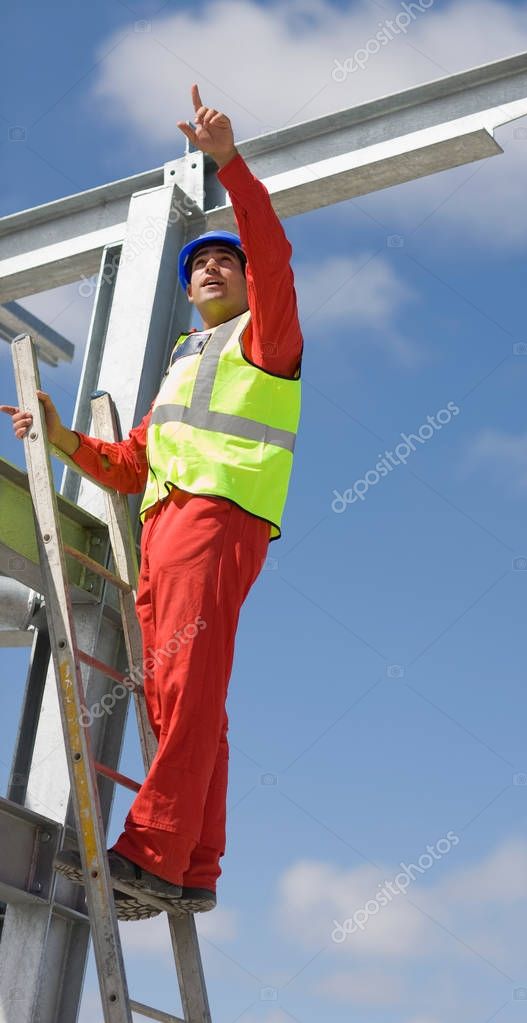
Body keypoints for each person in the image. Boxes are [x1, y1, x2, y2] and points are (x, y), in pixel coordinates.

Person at [1, 84, 303, 920]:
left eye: (222, 259)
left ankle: (153, 849)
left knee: (190, 683)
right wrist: (61, 437)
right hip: (165, 520)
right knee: (180, 693)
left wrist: (231, 162)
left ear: (245, 281)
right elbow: (132, 464)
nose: (208, 266)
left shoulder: (265, 339)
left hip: (215, 518)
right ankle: (196, 860)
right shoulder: (182, 359)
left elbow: (275, 254)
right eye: (197, 263)